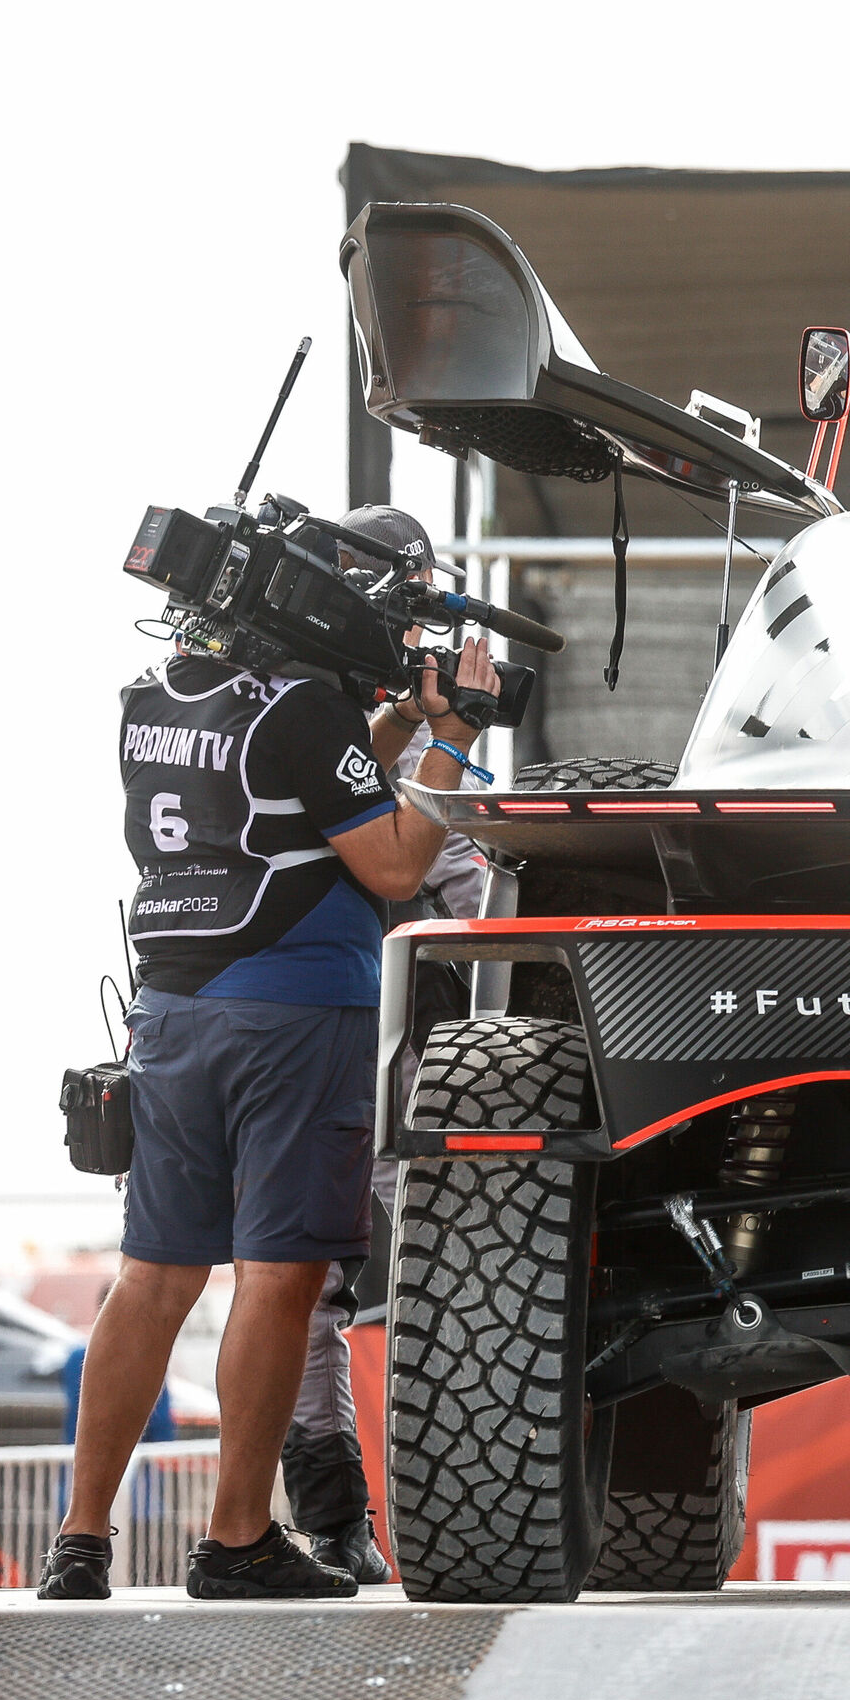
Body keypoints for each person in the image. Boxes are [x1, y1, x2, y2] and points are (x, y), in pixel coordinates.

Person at [41, 589, 494, 1601]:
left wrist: (398, 722)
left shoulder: (161, 694)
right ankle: (238, 1540)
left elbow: (297, 780)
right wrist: (452, 737)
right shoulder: (302, 709)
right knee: (278, 1278)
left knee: (151, 1277)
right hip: (295, 1018)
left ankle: (80, 1540)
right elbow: (392, 860)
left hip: (171, 1015)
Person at [275, 507, 499, 1585]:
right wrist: (449, 737)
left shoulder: (287, 719)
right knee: (343, 1292)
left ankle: (335, 1522)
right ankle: (339, 1520)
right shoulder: (348, 741)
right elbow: (471, 891)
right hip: (364, 1081)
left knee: (303, 1295)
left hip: (314, 1064)